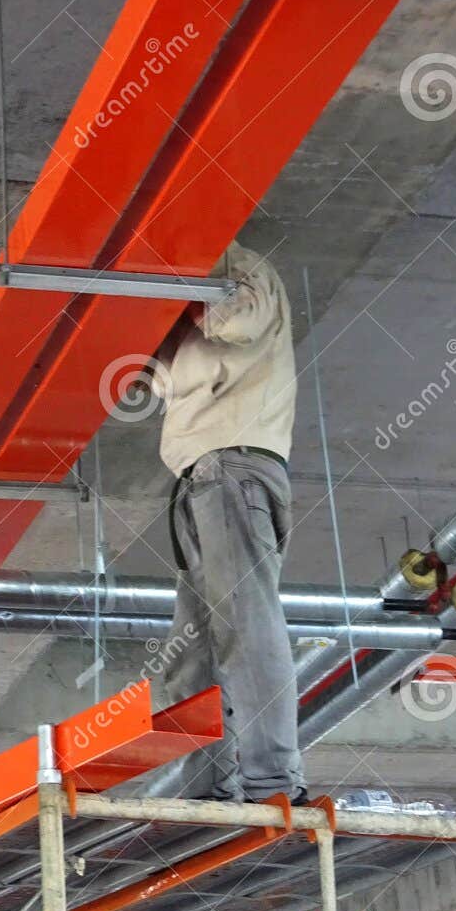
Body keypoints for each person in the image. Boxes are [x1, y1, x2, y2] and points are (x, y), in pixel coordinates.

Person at [148, 243, 304, 804]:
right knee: (191, 654)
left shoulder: (236, 263)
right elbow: (168, 373)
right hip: (200, 472)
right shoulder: (190, 291)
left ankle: (271, 783)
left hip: (233, 464)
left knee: (245, 625)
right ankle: (206, 791)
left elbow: (238, 318)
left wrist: (181, 289)